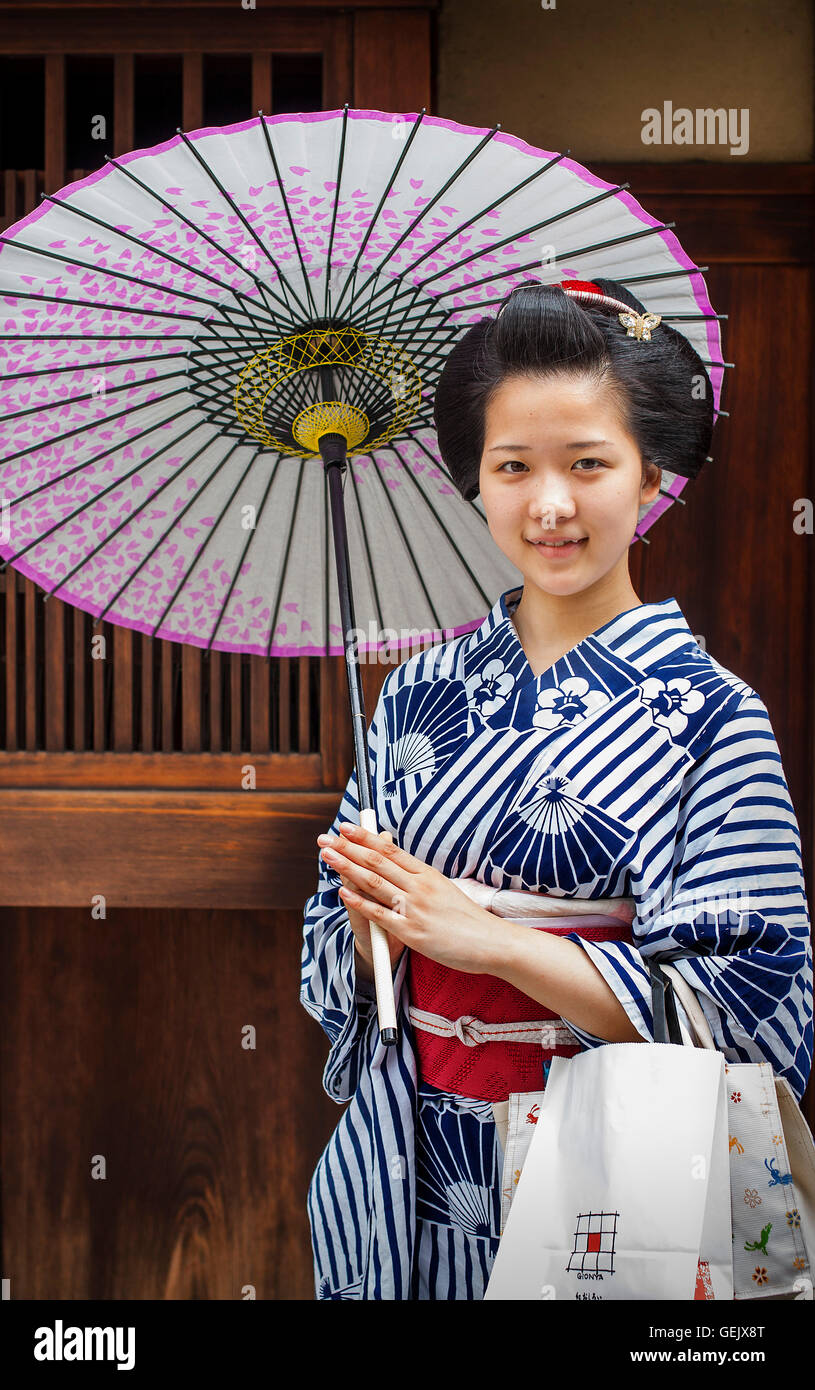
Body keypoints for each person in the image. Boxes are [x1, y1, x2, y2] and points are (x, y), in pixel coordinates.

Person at [299, 278, 814, 1300]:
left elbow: (753, 1010)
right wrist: (373, 926)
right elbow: (337, 962)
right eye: (513, 466)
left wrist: (486, 939)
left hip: (621, 1168)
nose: (550, 504)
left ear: (650, 473)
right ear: (475, 481)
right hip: (419, 1162)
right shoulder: (416, 692)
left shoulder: (714, 714)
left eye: (589, 463)